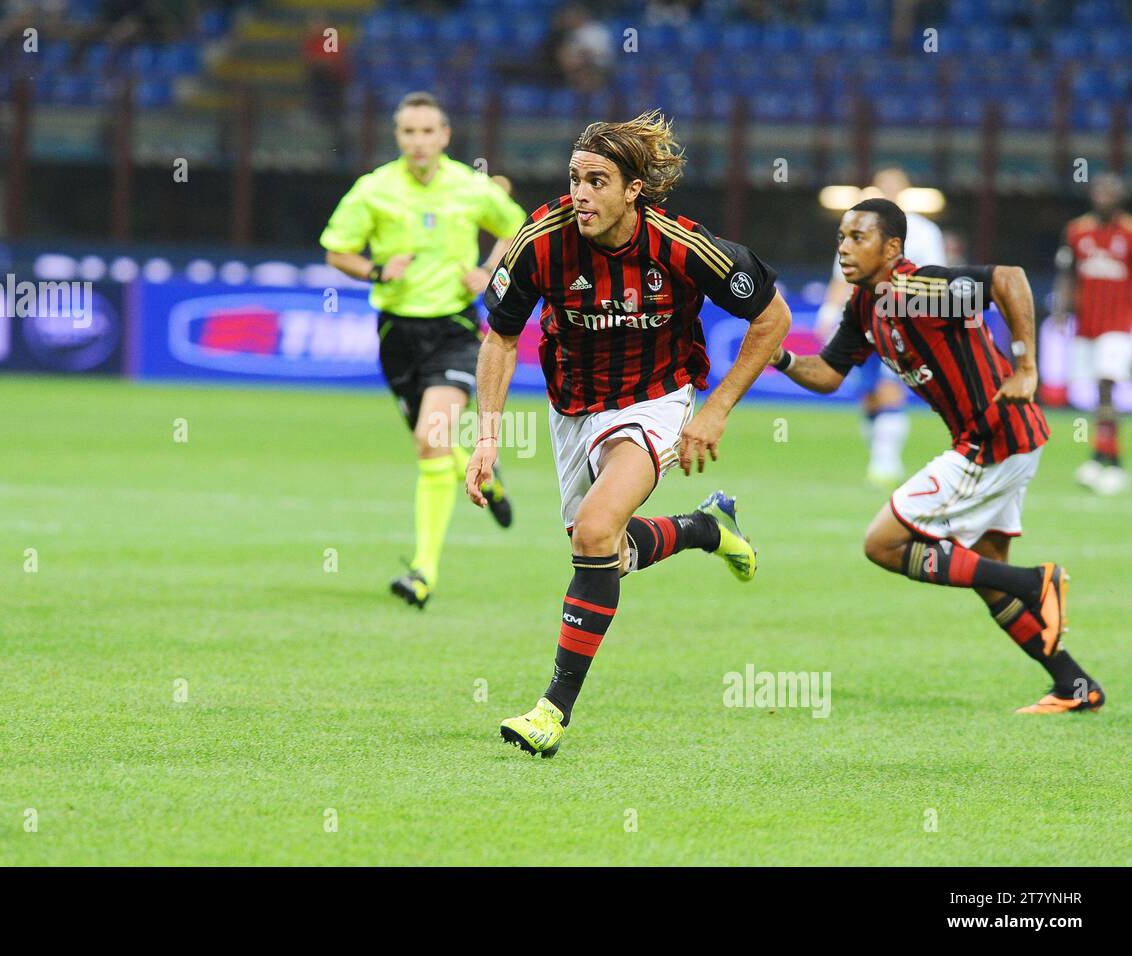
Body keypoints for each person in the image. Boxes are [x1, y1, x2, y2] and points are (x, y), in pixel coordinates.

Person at [467, 111, 790, 757]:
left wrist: (718, 408)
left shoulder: (683, 246)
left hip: (655, 398)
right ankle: (706, 527)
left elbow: (772, 318)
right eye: (574, 179)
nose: (580, 193)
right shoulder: (541, 239)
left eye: (597, 180)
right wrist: (486, 437)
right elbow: (501, 336)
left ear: (633, 189)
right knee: (604, 552)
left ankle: (551, 712)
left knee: (594, 530)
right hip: (573, 405)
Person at [771, 198, 1104, 715]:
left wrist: (1026, 366)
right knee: (985, 574)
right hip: (1001, 441)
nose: (843, 248)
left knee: (882, 543)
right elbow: (829, 374)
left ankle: (1036, 583)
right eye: (840, 236)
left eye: (858, 237)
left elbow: (1009, 279)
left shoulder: (919, 291)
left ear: (892, 248)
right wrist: (782, 355)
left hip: (992, 441)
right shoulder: (866, 305)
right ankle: (1074, 686)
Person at [320, 91, 527, 608]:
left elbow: (516, 226)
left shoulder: (468, 185)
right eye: (408, 132)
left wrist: (489, 271)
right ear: (398, 137)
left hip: (456, 329)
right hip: (398, 334)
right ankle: (484, 477)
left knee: (428, 439)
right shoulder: (373, 190)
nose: (418, 141)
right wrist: (373, 269)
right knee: (432, 442)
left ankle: (423, 573)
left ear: (444, 136)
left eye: (427, 131)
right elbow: (336, 249)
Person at [816, 168, 946, 488]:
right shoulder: (857, 229)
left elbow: (937, 279)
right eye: (883, 186)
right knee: (869, 392)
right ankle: (880, 453)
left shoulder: (925, 232)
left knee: (891, 385)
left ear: (904, 191)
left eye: (894, 187)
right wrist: (829, 312)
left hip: (904, 320)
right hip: (862, 320)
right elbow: (842, 276)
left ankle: (885, 462)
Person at [1053, 173, 1131, 495]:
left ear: (1120, 196)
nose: (1104, 197)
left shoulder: (1128, 232)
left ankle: (1111, 463)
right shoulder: (1077, 231)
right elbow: (1066, 273)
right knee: (1095, 395)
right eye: (1100, 191)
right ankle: (1101, 457)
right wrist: (1061, 309)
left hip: (1118, 324)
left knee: (1106, 387)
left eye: (1110, 191)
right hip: (1086, 324)